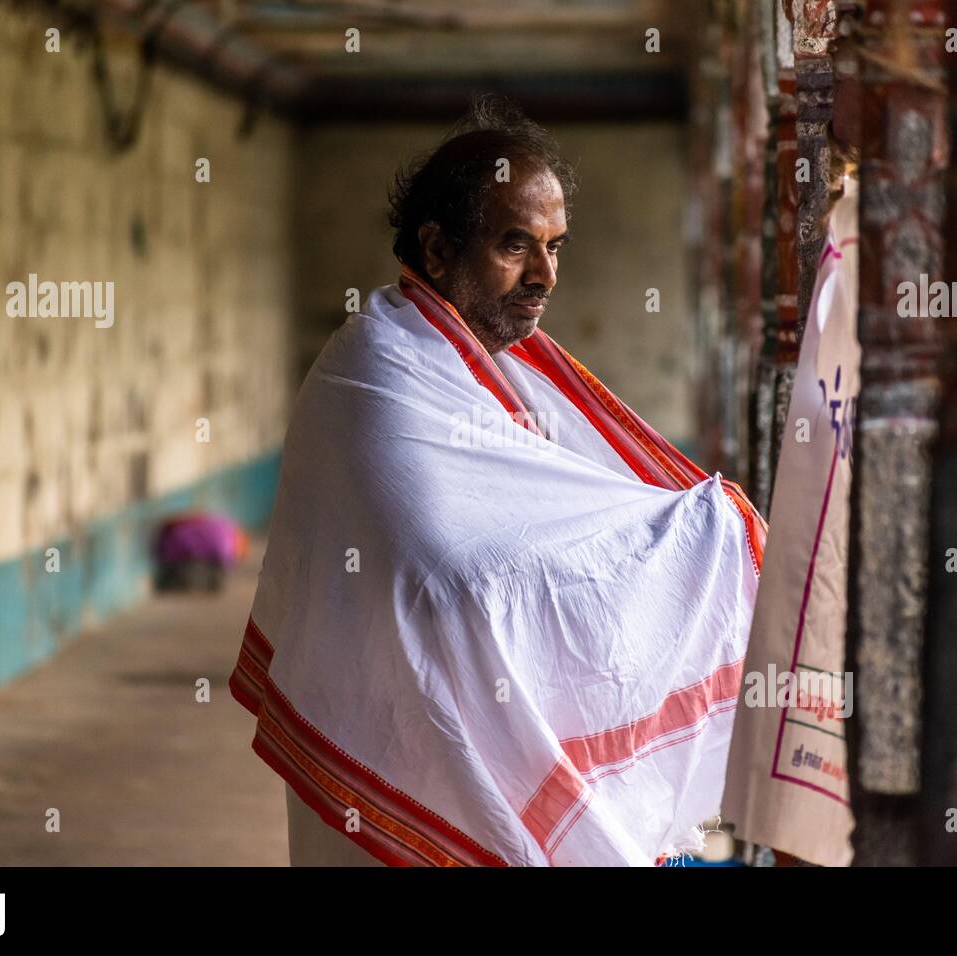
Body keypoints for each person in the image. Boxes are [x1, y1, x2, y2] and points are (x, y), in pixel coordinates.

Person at [230, 96, 766, 866]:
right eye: (517, 245)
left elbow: (553, 519)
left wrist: (701, 533)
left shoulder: (485, 359)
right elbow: (447, 577)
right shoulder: (377, 371)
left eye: (556, 247)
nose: (545, 275)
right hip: (405, 739)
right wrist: (715, 539)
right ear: (437, 250)